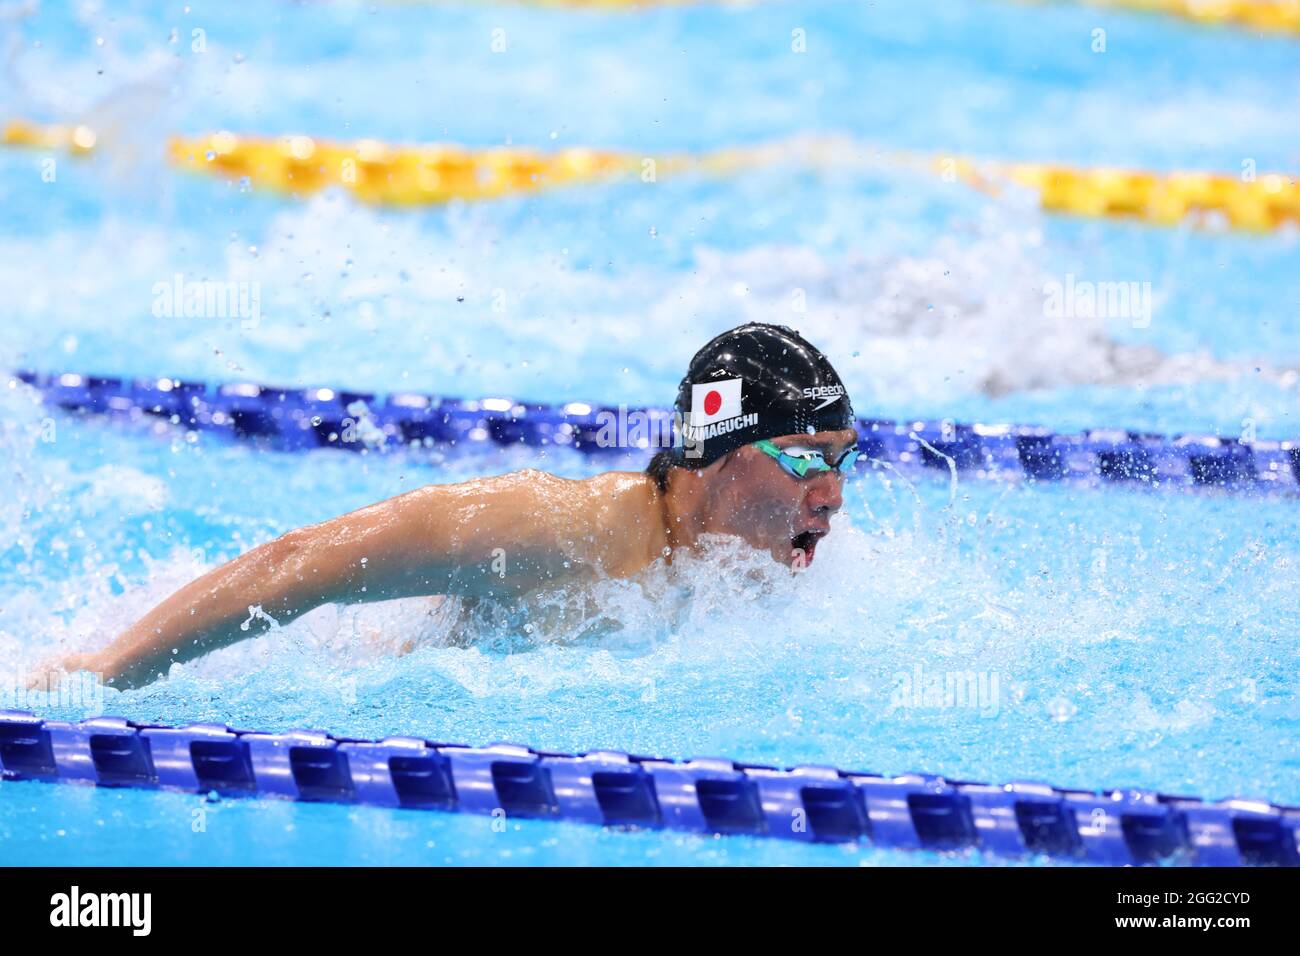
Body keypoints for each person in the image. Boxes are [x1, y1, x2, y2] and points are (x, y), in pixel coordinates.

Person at [35, 323, 860, 689]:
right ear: (713, 453)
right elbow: (303, 563)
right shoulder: (555, 530)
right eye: (802, 459)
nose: (830, 498)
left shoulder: (761, 568)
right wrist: (110, 673)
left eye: (841, 463)